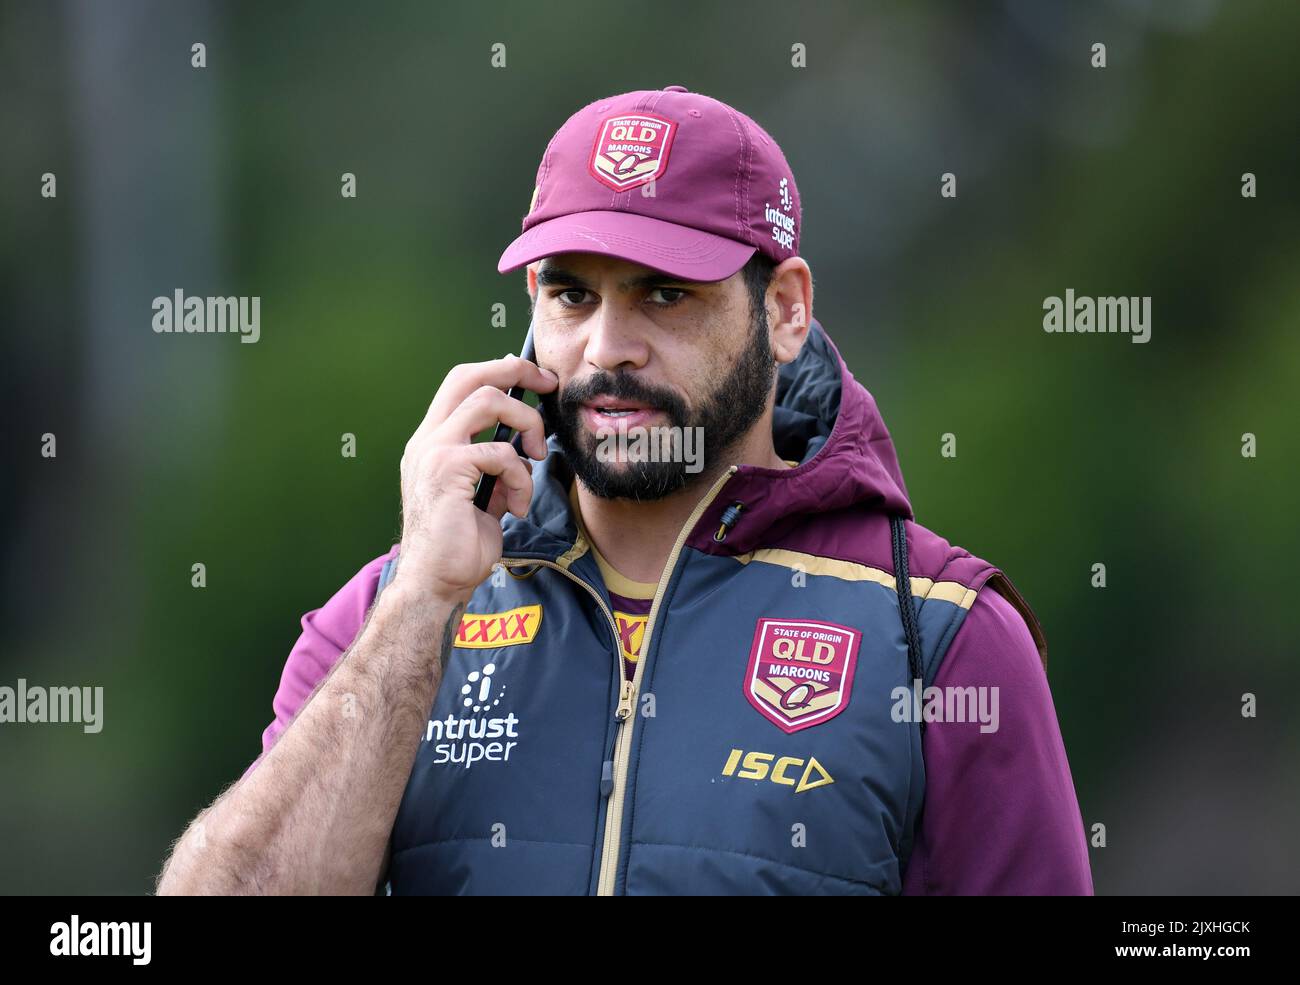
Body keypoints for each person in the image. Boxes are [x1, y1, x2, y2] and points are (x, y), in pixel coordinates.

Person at [157, 85, 1092, 896]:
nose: (608, 347)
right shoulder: (388, 614)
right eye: (570, 295)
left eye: (665, 293)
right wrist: (418, 607)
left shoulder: (940, 634)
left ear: (786, 310)